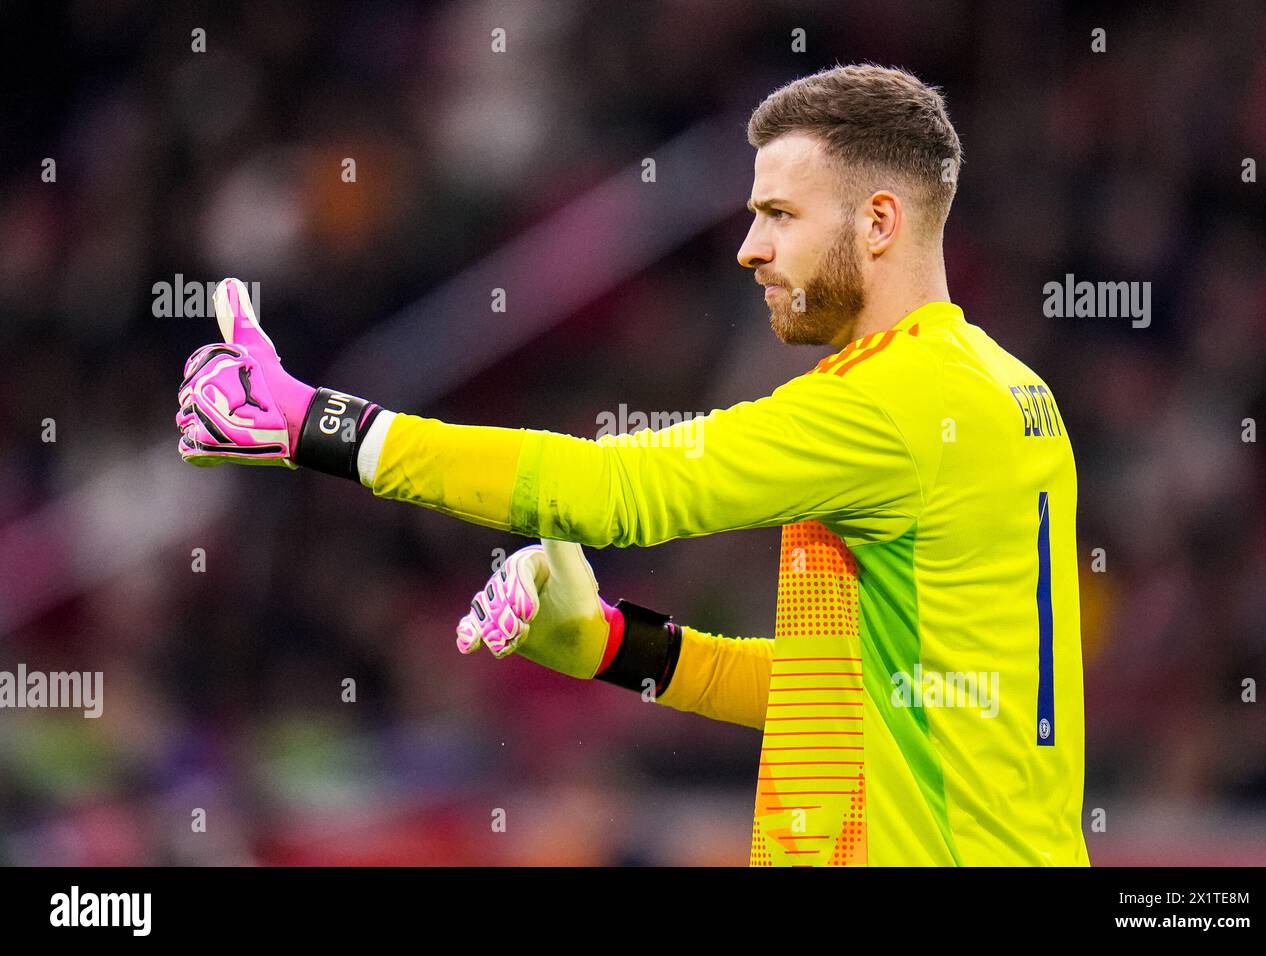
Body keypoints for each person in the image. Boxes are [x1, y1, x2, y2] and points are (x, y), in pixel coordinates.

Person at [176, 63, 1089, 866]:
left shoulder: (886, 405)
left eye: (780, 215)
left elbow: (612, 495)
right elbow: (847, 698)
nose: (751, 248)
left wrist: (316, 424)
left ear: (879, 220)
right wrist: (618, 646)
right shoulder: (1011, 391)